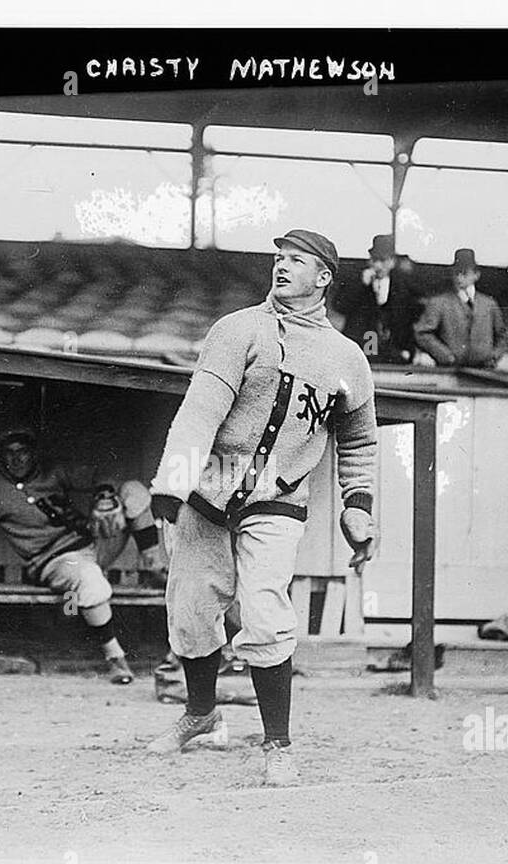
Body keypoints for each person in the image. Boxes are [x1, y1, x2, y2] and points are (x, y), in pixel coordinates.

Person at [146, 228, 378, 786]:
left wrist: (358, 503)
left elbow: (360, 441)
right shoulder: (237, 329)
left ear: (323, 277)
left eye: (296, 262)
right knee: (193, 607)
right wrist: (172, 481)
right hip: (210, 490)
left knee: (266, 613)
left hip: (276, 500)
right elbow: (201, 410)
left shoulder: (346, 357)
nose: (282, 267)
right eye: (279, 259)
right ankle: (201, 714)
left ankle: (278, 745)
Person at [0, 426, 168, 684]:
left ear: (34, 454)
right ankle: (116, 660)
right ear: (0, 455)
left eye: (23, 452)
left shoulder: (53, 473)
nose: (16, 459)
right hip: (55, 561)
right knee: (89, 579)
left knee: (134, 490)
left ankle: (153, 564)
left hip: (93, 543)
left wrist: (104, 495)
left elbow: (100, 473)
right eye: (9, 452)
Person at [412, 247, 507, 367]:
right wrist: (444, 355)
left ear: (476, 275)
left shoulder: (489, 304)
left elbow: (502, 336)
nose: (459, 277)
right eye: (456, 272)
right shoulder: (439, 302)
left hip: (484, 370)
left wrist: (494, 356)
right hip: (450, 370)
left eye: (465, 273)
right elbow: (422, 333)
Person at [340, 233, 422, 364]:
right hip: (361, 350)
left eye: (382, 260)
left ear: (392, 262)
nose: (377, 266)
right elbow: (340, 306)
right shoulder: (357, 281)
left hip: (393, 351)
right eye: (374, 260)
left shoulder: (403, 285)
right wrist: (361, 285)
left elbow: (412, 318)